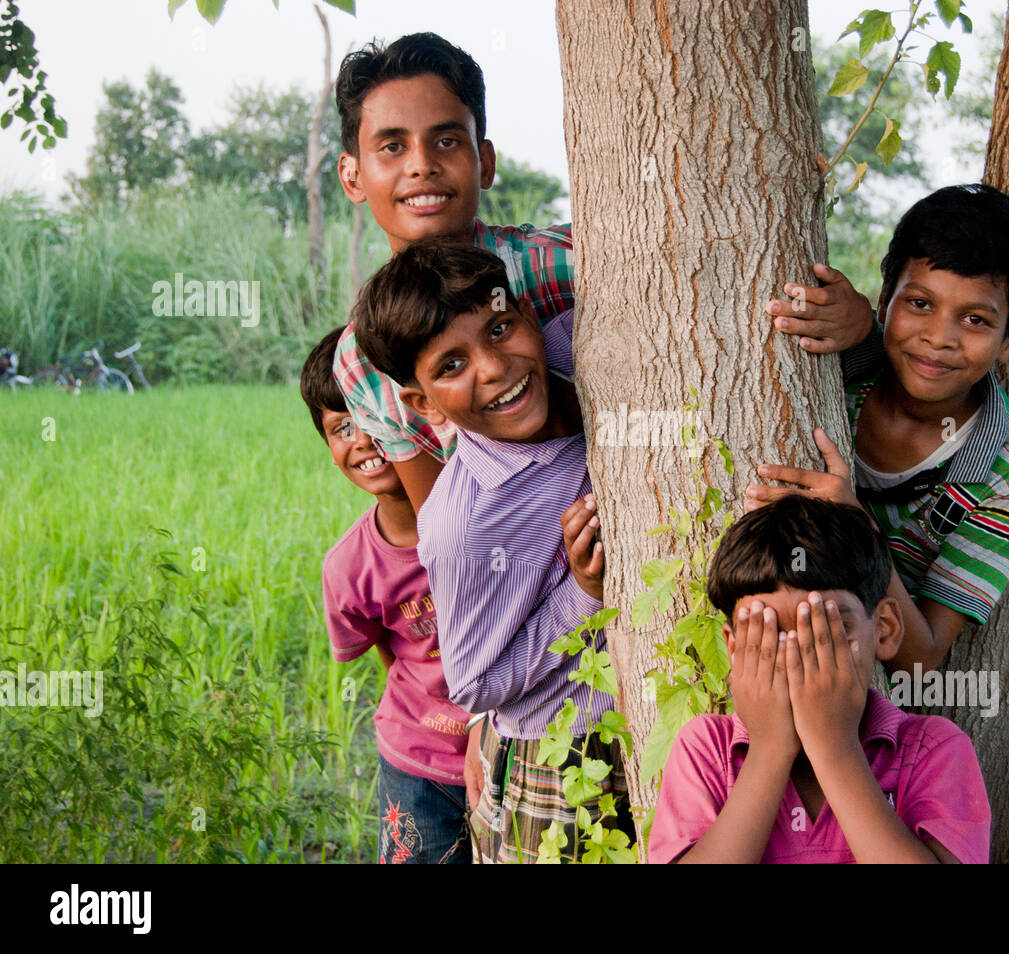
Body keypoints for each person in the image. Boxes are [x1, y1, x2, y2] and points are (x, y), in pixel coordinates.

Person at [327, 30, 874, 810]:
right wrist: (492, 711)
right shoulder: (361, 363)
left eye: (445, 140)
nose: (421, 164)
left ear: (484, 160)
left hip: (653, 576)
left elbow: (716, 285)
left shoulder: (562, 265)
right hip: (543, 653)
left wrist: (854, 325)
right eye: (392, 147)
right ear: (353, 174)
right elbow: (449, 536)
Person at [351, 239, 625, 863]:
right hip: (564, 758)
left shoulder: (576, 347)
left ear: (530, 315)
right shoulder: (464, 524)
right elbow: (475, 683)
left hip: (656, 716)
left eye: (501, 329)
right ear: (421, 404)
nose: (494, 367)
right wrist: (581, 595)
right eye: (450, 366)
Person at [747, 184, 1009, 674]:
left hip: (855, 683)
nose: (939, 338)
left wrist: (853, 527)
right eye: (920, 304)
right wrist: (860, 324)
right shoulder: (845, 366)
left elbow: (921, 657)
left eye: (974, 319)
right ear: (885, 298)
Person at [648, 494, 991, 864]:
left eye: (828, 631)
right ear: (733, 650)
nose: (798, 658)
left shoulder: (930, 749)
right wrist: (769, 751)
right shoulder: (709, 750)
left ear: (885, 630)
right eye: (767, 635)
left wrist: (835, 747)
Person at [301, 327, 472, 864]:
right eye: (341, 428)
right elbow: (389, 654)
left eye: (371, 417)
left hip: (513, 747)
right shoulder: (349, 567)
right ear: (329, 449)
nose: (362, 439)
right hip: (417, 763)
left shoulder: (479, 520)